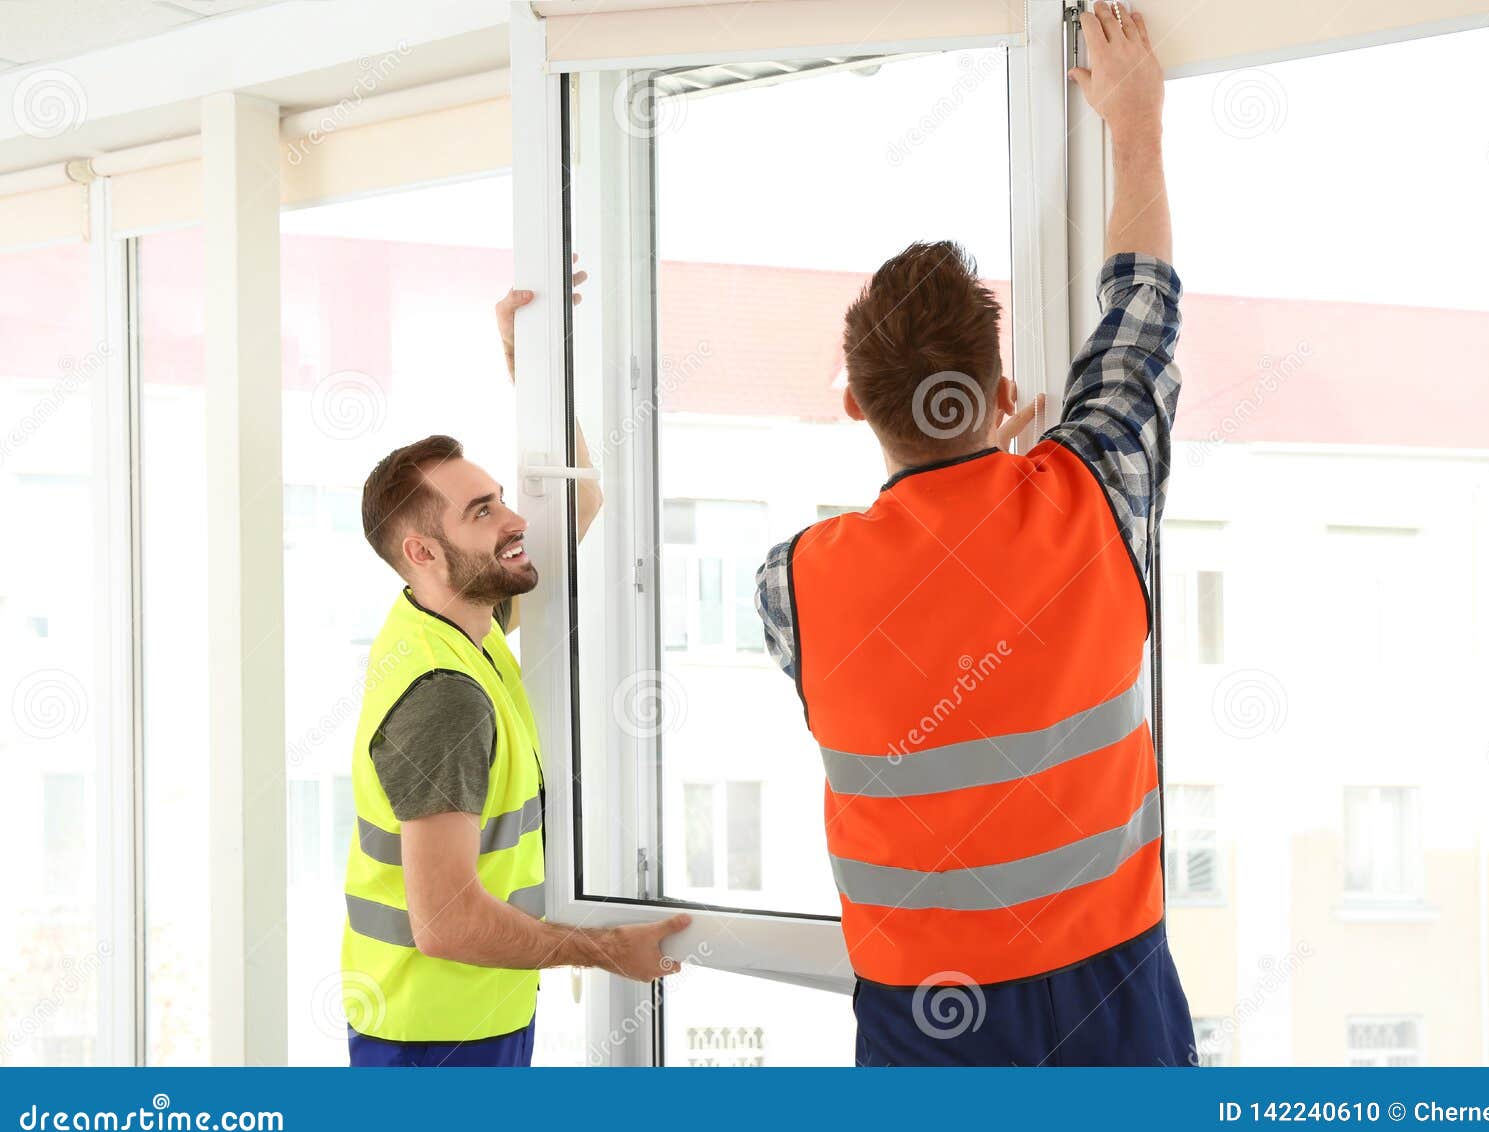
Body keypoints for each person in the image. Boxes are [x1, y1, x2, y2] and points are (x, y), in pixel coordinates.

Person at [753, 2, 1194, 1065]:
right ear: (1001, 393)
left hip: (925, 1016)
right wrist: (1134, 128)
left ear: (855, 407)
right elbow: (1141, 313)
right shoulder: (1096, 493)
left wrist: (983, 465)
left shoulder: (790, 583)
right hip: (1113, 990)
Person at [340, 277, 688, 1067]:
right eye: (482, 512)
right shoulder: (444, 697)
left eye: (497, 498)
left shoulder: (459, 623)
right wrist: (604, 949)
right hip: (434, 1039)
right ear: (421, 553)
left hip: (465, 1014)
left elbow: (584, 501)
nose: (515, 519)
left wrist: (529, 365)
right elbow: (447, 922)